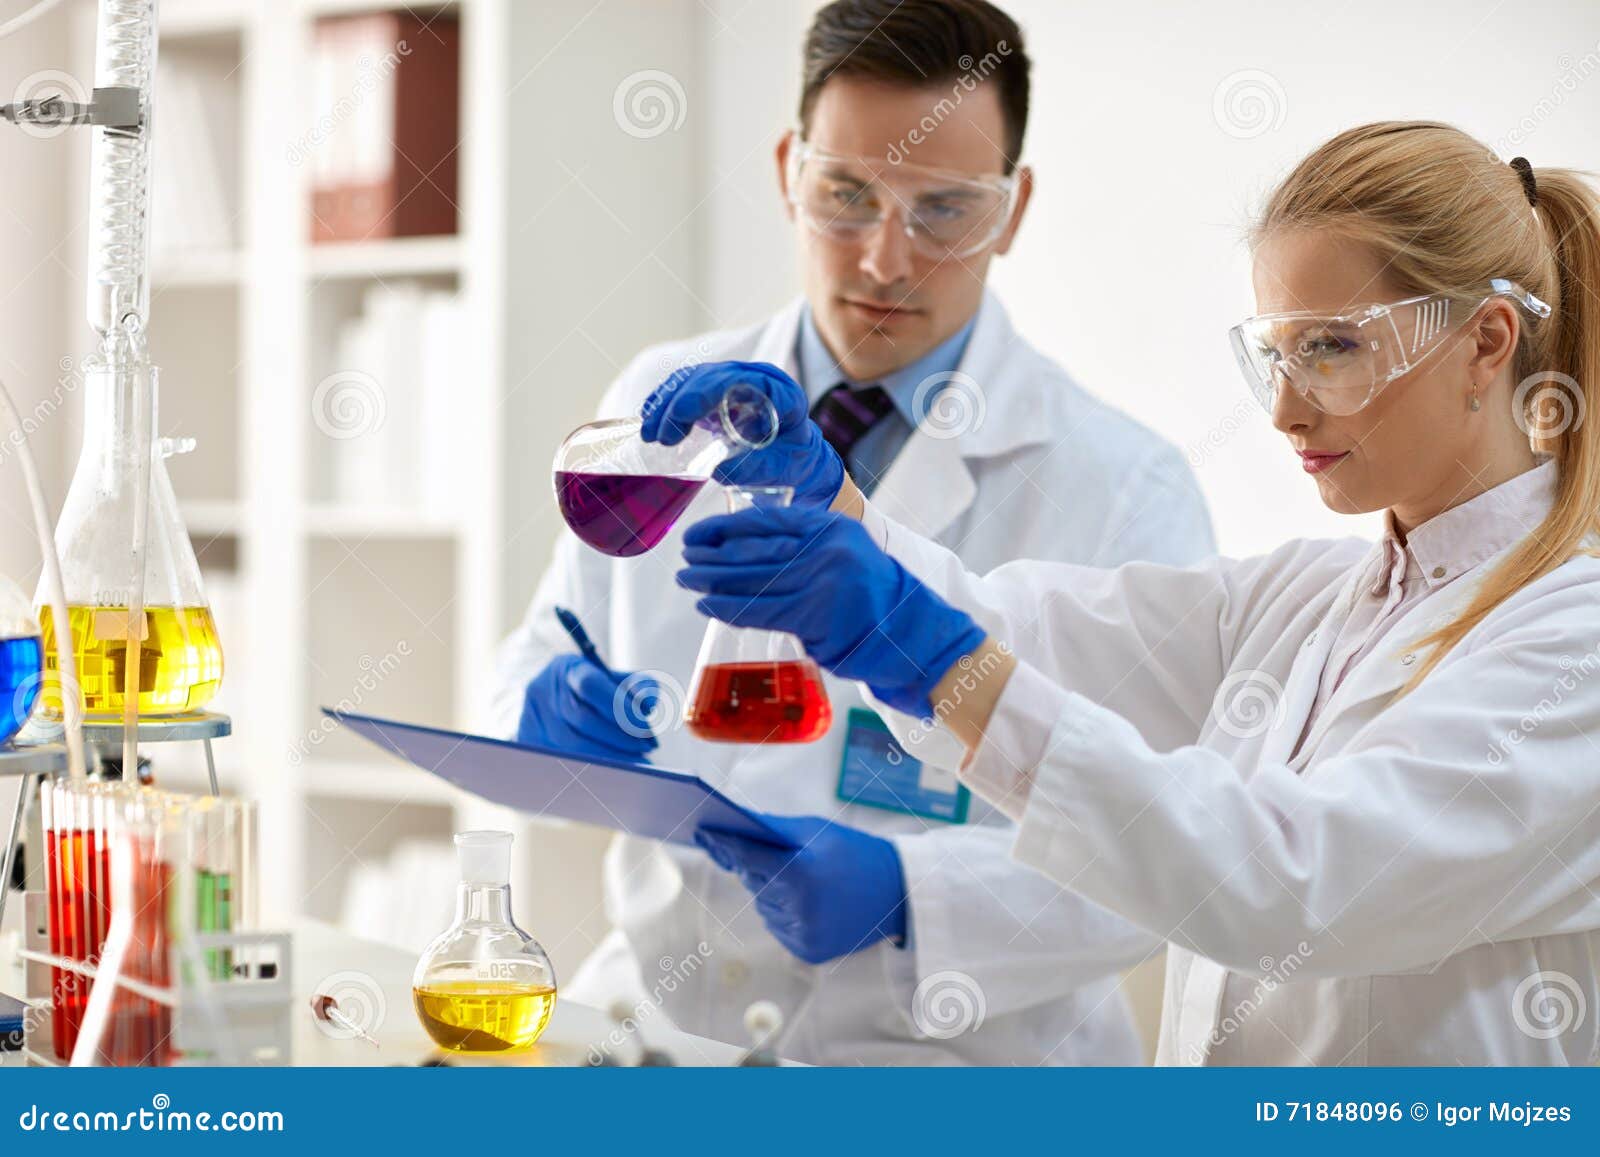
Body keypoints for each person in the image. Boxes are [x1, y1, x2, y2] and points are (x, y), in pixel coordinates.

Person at [666, 121, 1600, 1065]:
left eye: (1332, 348)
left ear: (1487, 341)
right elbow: (1031, 633)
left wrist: (936, 655)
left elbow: (1294, 882)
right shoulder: (1313, 598)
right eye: (1278, 353)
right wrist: (838, 505)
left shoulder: (1575, 643)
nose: (1284, 409)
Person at [489, 0, 1215, 1064]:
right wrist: (542, 717)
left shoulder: (1122, 487)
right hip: (662, 1028)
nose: (885, 260)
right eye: (846, 195)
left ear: (1012, 212)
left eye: (945, 211)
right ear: (789, 168)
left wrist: (910, 896)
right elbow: (536, 662)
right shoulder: (661, 401)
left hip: (962, 1068)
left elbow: (1173, 852)